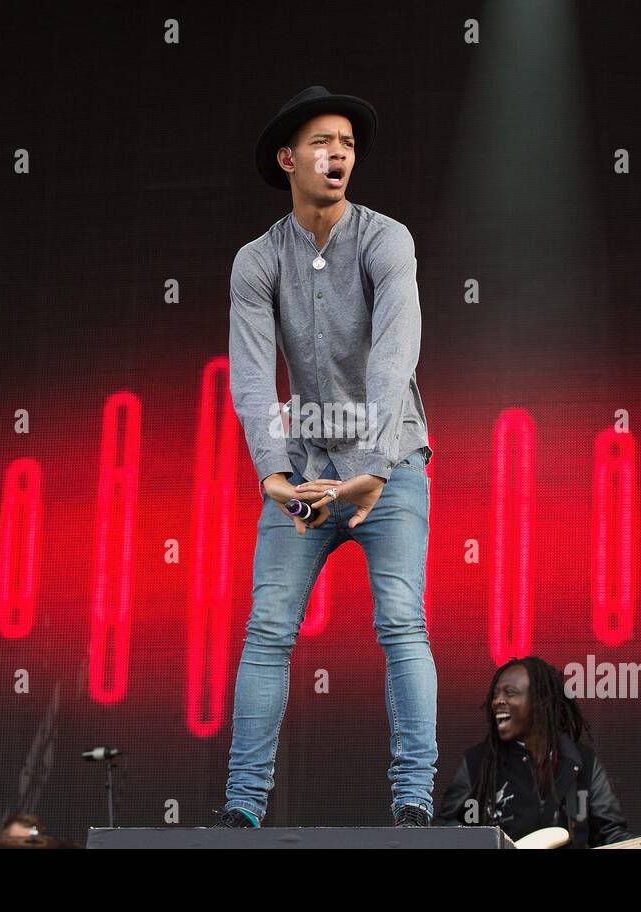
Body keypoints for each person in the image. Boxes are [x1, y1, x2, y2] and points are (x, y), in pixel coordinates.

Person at [216, 86, 437, 828]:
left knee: (402, 622)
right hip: (307, 475)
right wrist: (273, 473)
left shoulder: (386, 239)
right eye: (320, 142)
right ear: (288, 159)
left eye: (345, 142)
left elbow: (393, 356)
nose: (337, 152)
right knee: (268, 627)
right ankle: (242, 809)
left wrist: (375, 465)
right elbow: (250, 372)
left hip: (392, 468)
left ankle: (413, 801)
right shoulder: (257, 260)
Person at [435, 657, 641, 847]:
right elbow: (446, 829)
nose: (497, 701)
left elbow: (610, 835)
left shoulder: (582, 763)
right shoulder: (479, 762)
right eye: (496, 694)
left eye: (510, 693)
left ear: (540, 702)